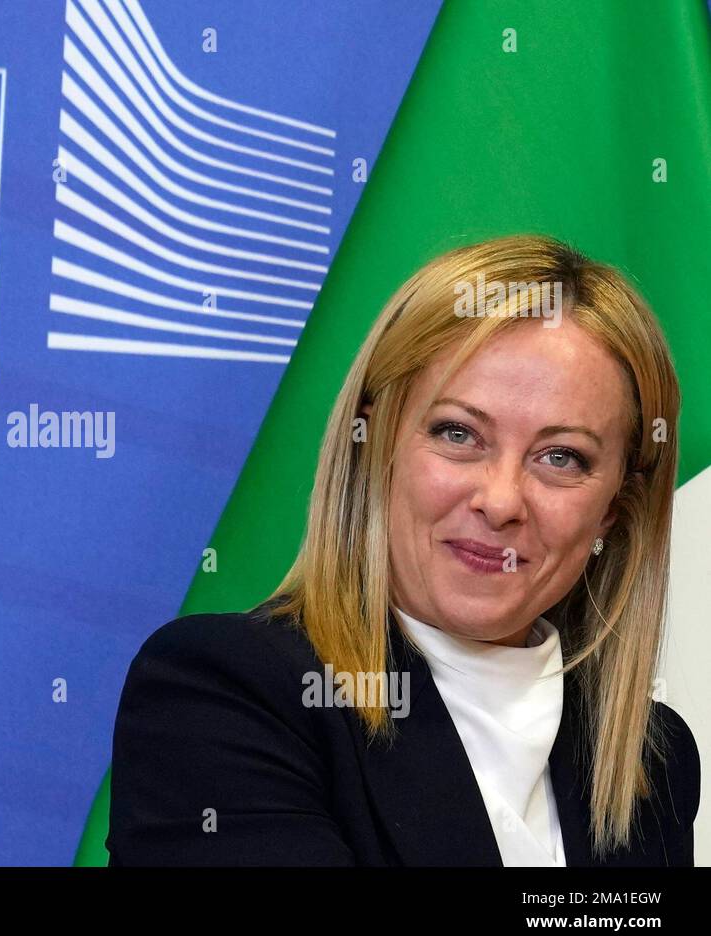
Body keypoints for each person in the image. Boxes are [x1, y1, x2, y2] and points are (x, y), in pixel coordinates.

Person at [106, 235, 699, 866]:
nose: (501, 502)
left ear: (614, 506)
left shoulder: (651, 762)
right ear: (373, 444)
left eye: (562, 457)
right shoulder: (226, 694)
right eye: (458, 433)